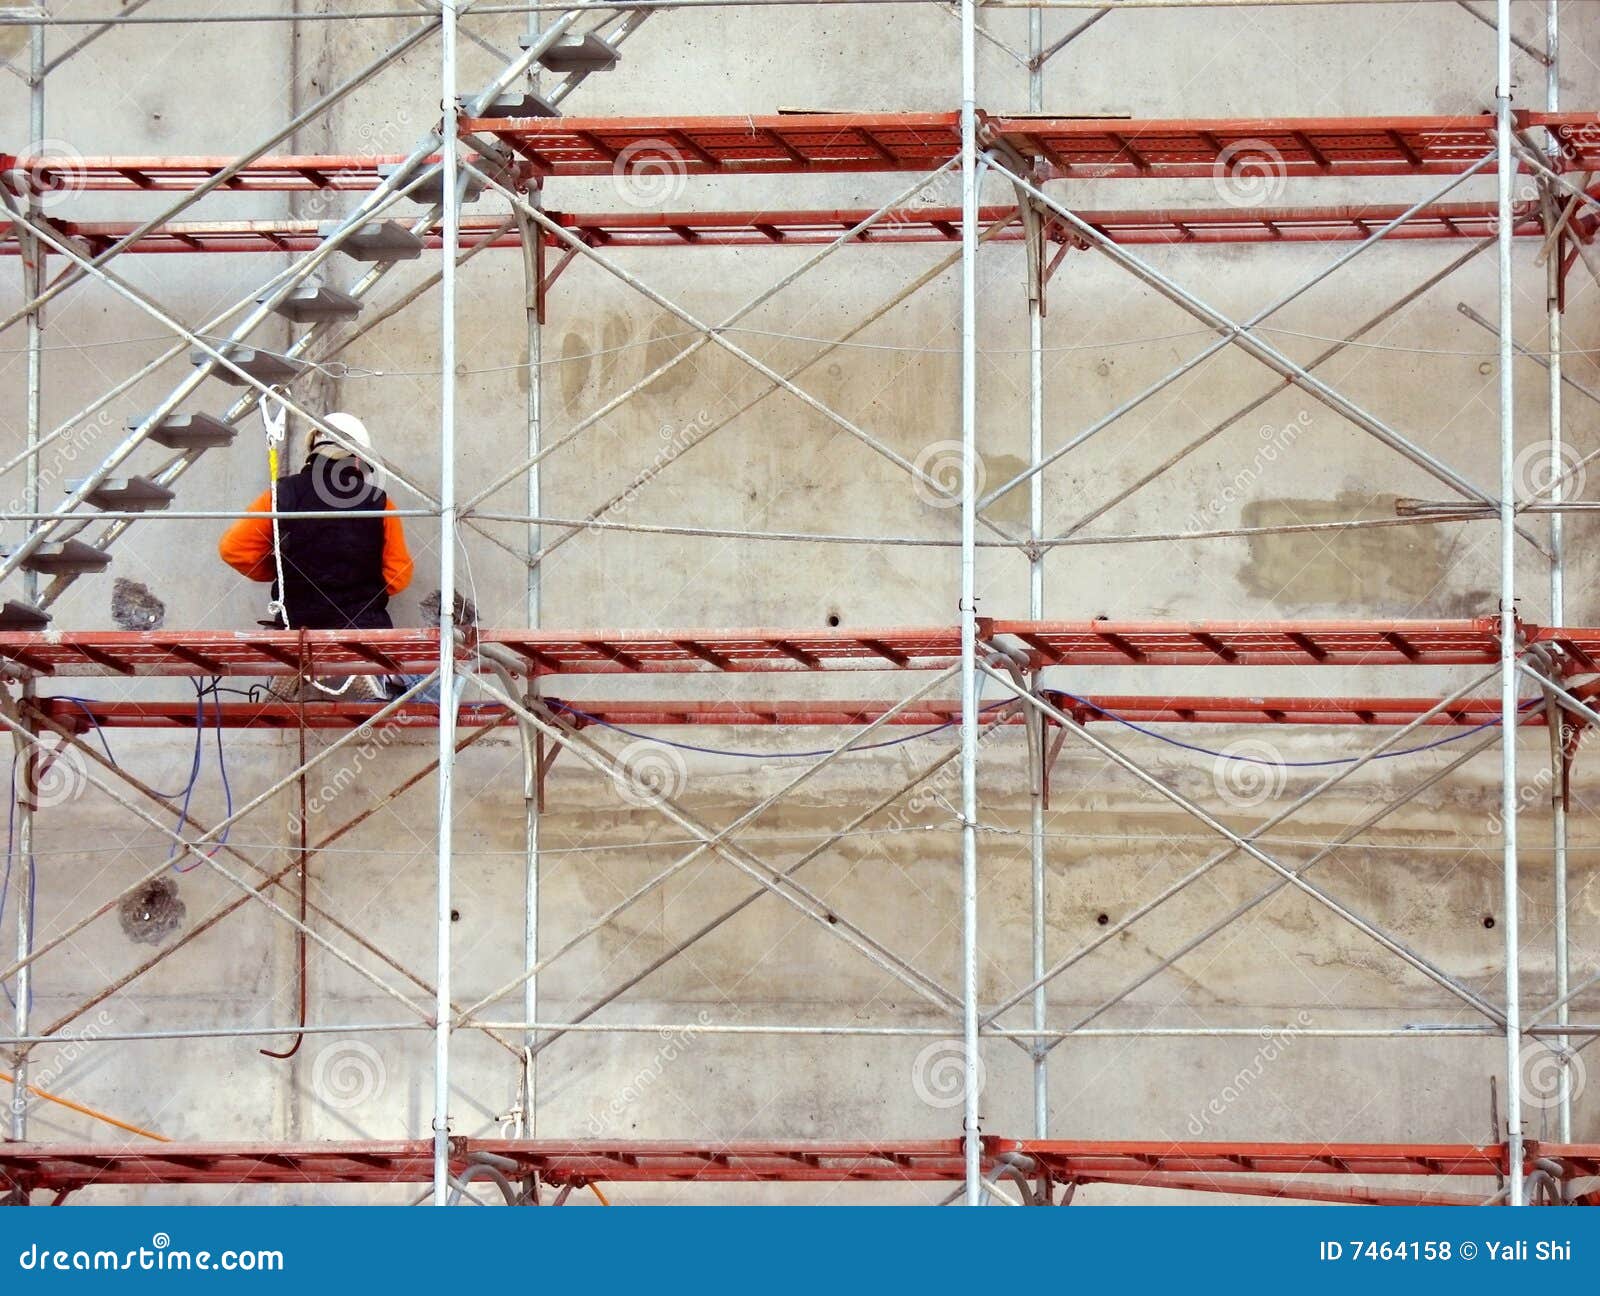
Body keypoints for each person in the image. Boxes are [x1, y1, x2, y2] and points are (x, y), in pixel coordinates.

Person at [218, 412, 413, 631]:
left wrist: (284, 571)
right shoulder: (381, 503)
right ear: (358, 459)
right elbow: (399, 575)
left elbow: (234, 549)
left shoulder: (279, 495)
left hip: (296, 629)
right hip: (362, 630)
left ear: (313, 453)